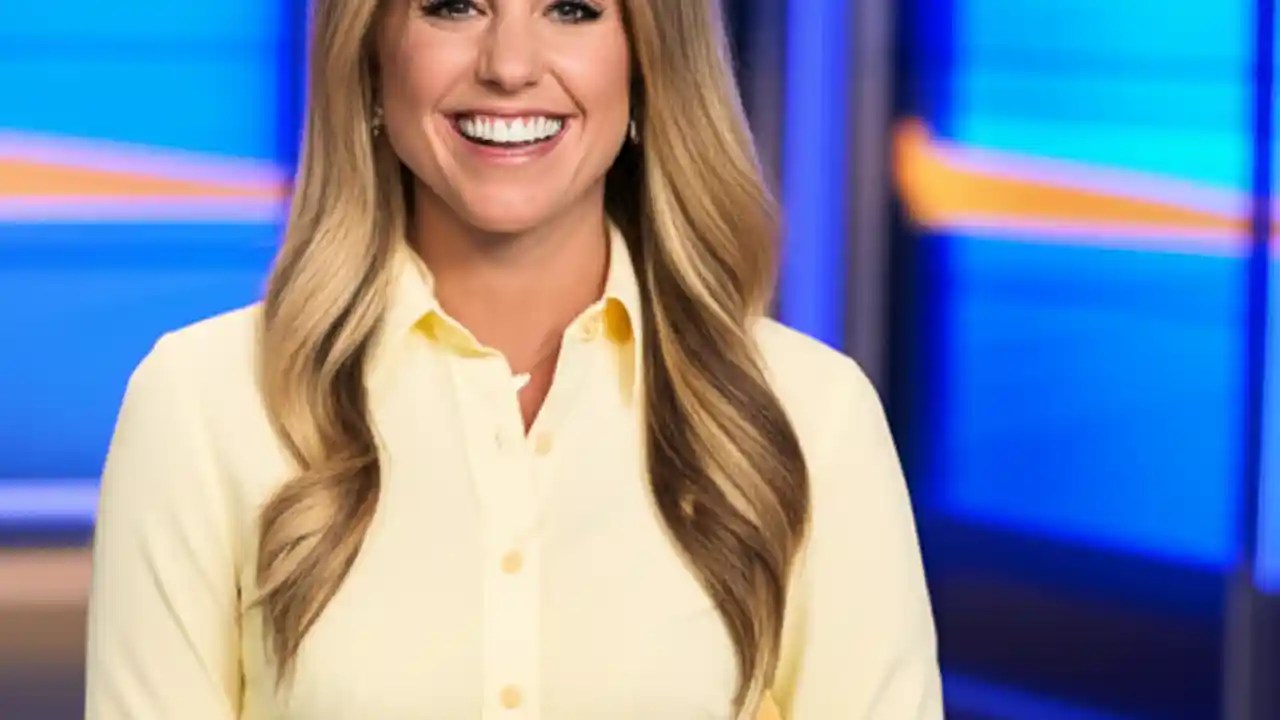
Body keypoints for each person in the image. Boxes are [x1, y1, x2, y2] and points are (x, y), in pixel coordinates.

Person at [84, 1, 942, 718]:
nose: (509, 64)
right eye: (454, 6)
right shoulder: (201, 402)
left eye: (571, 9)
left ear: (646, 62)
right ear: (373, 53)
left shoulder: (811, 418)